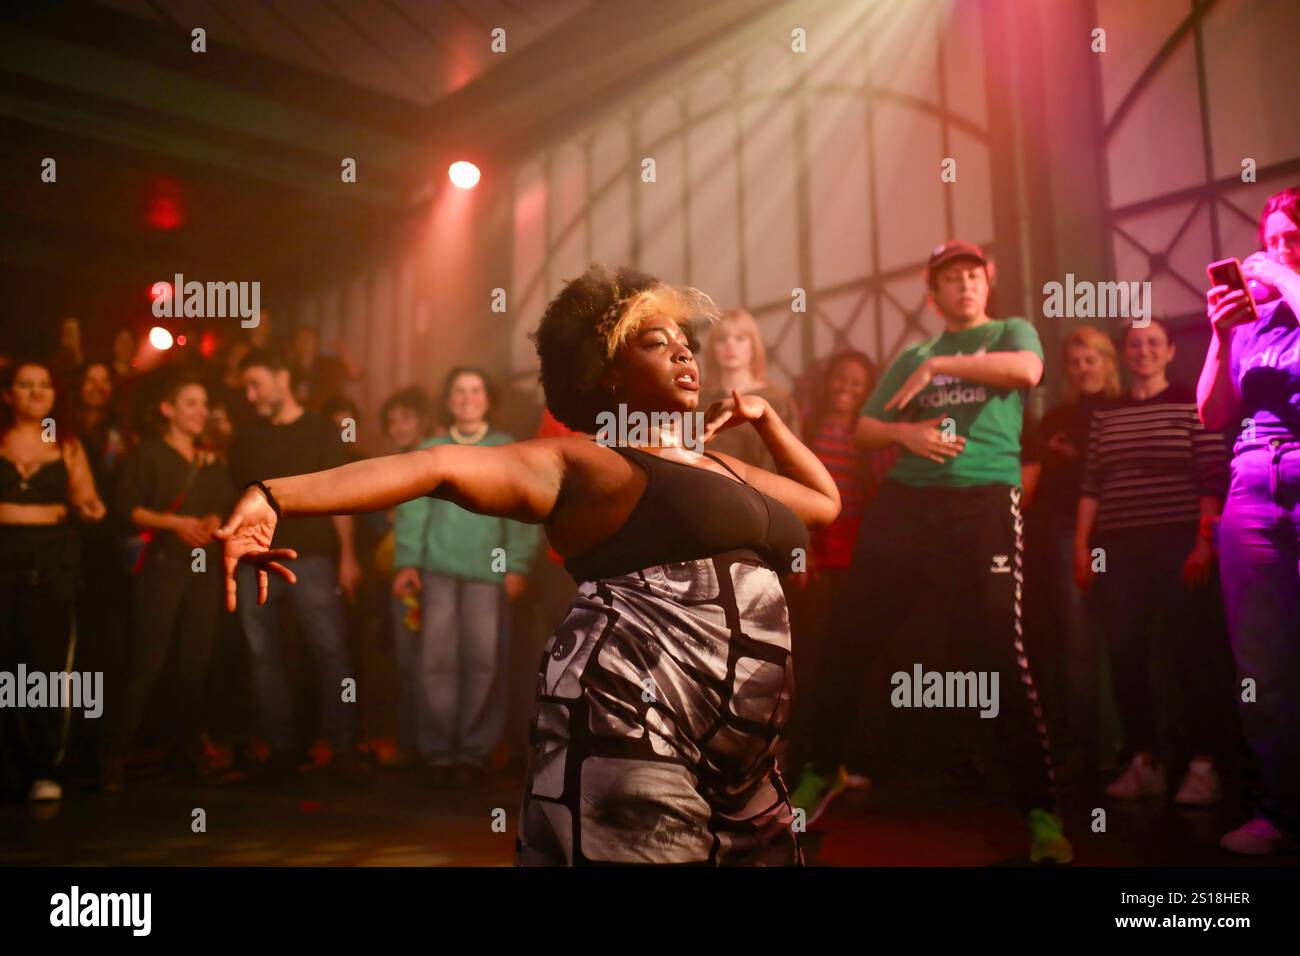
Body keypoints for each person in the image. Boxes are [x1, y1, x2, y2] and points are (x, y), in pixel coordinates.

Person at [217, 264, 840, 865]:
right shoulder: (589, 463)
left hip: (745, 761)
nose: (685, 355)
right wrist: (274, 495)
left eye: (686, 344)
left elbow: (822, 504)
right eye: (657, 343)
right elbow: (433, 468)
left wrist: (769, 421)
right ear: (609, 372)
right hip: (633, 717)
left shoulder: (723, 467)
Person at [789, 240, 1072, 864]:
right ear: (933, 292)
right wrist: (905, 432)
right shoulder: (913, 354)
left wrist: (949, 371)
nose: (965, 284)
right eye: (951, 278)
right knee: (847, 636)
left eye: (974, 274)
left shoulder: (1009, 331)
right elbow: (865, 428)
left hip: (982, 505)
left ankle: (1040, 811)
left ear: (987, 283)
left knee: (1000, 649)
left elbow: (1026, 372)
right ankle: (824, 767)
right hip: (907, 504)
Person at [1075, 319, 1232, 807]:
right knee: (1124, 653)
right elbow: (1092, 483)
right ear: (1125, 354)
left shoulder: (1191, 401)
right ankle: (1145, 761)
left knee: (1190, 653)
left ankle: (1204, 765)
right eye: (1135, 344)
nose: (1143, 350)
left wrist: (1203, 543)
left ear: (1168, 353)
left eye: (1153, 343)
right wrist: (1083, 547)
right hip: (1118, 547)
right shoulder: (1107, 414)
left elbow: (1210, 476)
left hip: (1178, 544)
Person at [1198, 185, 1300, 854]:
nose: (1277, 252)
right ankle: (1280, 810)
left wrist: (1288, 281)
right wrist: (1219, 334)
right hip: (1251, 482)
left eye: (1294, 241)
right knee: (1262, 666)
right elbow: (1209, 413)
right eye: (1272, 242)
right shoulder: (1256, 324)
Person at [392, 368, 540, 786]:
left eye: (475, 390)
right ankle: (439, 753)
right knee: (435, 663)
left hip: (488, 577)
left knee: (484, 663)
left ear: (487, 398)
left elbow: (520, 510)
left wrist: (517, 565)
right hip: (437, 572)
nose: (467, 398)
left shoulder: (505, 449)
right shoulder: (430, 449)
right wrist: (407, 562)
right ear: (449, 399)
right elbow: (413, 510)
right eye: (459, 391)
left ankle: (472, 754)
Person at [227, 348, 367, 781]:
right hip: (257, 557)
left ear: (282, 376)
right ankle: (284, 747)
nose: (250, 394)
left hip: (313, 556)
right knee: (263, 653)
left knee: (330, 650)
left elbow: (342, 496)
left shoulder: (322, 431)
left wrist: (348, 556)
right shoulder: (246, 436)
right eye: (247, 386)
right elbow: (238, 501)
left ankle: (344, 747)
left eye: (256, 384)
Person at [101, 373, 235, 791]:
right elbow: (126, 508)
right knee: (148, 659)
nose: (201, 411)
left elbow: (224, 508)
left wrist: (213, 521)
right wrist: (174, 523)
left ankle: (187, 752)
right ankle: (114, 755)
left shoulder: (209, 461)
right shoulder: (150, 453)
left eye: (204, 404)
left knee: (195, 660)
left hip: (202, 567)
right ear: (168, 409)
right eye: (191, 402)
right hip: (162, 564)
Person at [1020, 326, 1122, 782]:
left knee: (1126, 642)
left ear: (1106, 361)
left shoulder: (1123, 409)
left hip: (1122, 534)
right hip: (1064, 536)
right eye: (1075, 362)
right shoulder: (1055, 418)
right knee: (1078, 644)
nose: (1083, 368)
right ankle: (1087, 751)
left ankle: (1132, 749)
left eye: (1090, 359)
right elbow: (1032, 489)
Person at [0, 360, 105, 802]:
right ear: (8, 394)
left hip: (50, 566)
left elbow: (89, 501)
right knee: (6, 664)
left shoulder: (64, 443)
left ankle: (45, 768)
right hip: (4, 560)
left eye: (44, 385)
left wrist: (90, 511)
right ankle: (8, 769)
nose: (35, 393)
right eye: (25, 385)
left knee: (44, 669)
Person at [700, 308, 801, 470]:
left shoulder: (778, 402)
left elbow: (792, 462)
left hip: (760, 491)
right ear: (713, 349)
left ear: (753, 345)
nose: (730, 345)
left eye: (740, 338)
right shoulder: (698, 399)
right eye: (722, 339)